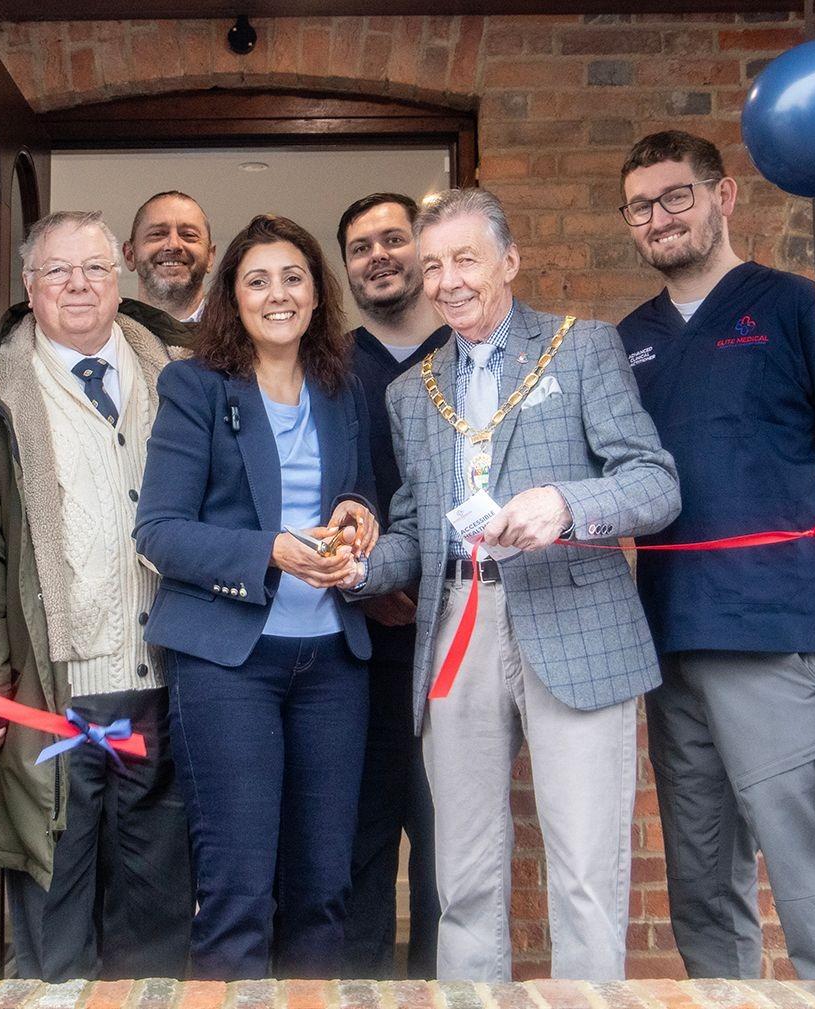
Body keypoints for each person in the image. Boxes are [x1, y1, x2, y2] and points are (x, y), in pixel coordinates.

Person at [352, 188, 679, 982]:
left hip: (573, 616)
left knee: (584, 871)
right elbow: (415, 530)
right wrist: (357, 567)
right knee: (461, 875)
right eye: (433, 265)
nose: (447, 281)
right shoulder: (410, 392)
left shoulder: (582, 347)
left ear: (508, 260)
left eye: (465, 259)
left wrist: (565, 503)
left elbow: (655, 483)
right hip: (456, 623)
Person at [615, 130, 815, 982]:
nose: (659, 217)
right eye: (640, 207)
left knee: (804, 856)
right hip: (666, 633)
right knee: (700, 870)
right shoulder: (626, 340)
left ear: (723, 195)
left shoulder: (794, 307)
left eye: (675, 196)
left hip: (770, 628)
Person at [0, 210, 192, 981]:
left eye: (92, 268)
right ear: (29, 285)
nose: (77, 284)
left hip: (161, 680)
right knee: (52, 914)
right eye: (57, 270)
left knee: (154, 911)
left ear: (118, 278)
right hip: (51, 695)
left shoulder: (176, 372)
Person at [134, 214, 380, 980]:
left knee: (323, 890)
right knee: (237, 891)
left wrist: (358, 512)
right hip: (228, 665)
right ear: (231, 298)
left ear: (317, 293)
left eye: (293, 277)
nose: (278, 294)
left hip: (333, 664)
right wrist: (267, 550)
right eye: (258, 280)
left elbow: (357, 492)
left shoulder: (341, 387)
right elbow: (159, 530)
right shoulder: (194, 387)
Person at [336, 192, 448, 979]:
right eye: (359, 246)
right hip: (359, 647)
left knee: (452, 846)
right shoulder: (330, 367)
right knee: (360, 840)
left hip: (460, 642)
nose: (377, 256)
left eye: (392, 239)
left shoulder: (467, 352)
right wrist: (363, 586)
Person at [120, 190, 218, 337]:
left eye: (189, 235)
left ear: (210, 257)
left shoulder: (241, 336)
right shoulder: (107, 337)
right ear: (130, 255)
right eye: (157, 234)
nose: (173, 245)